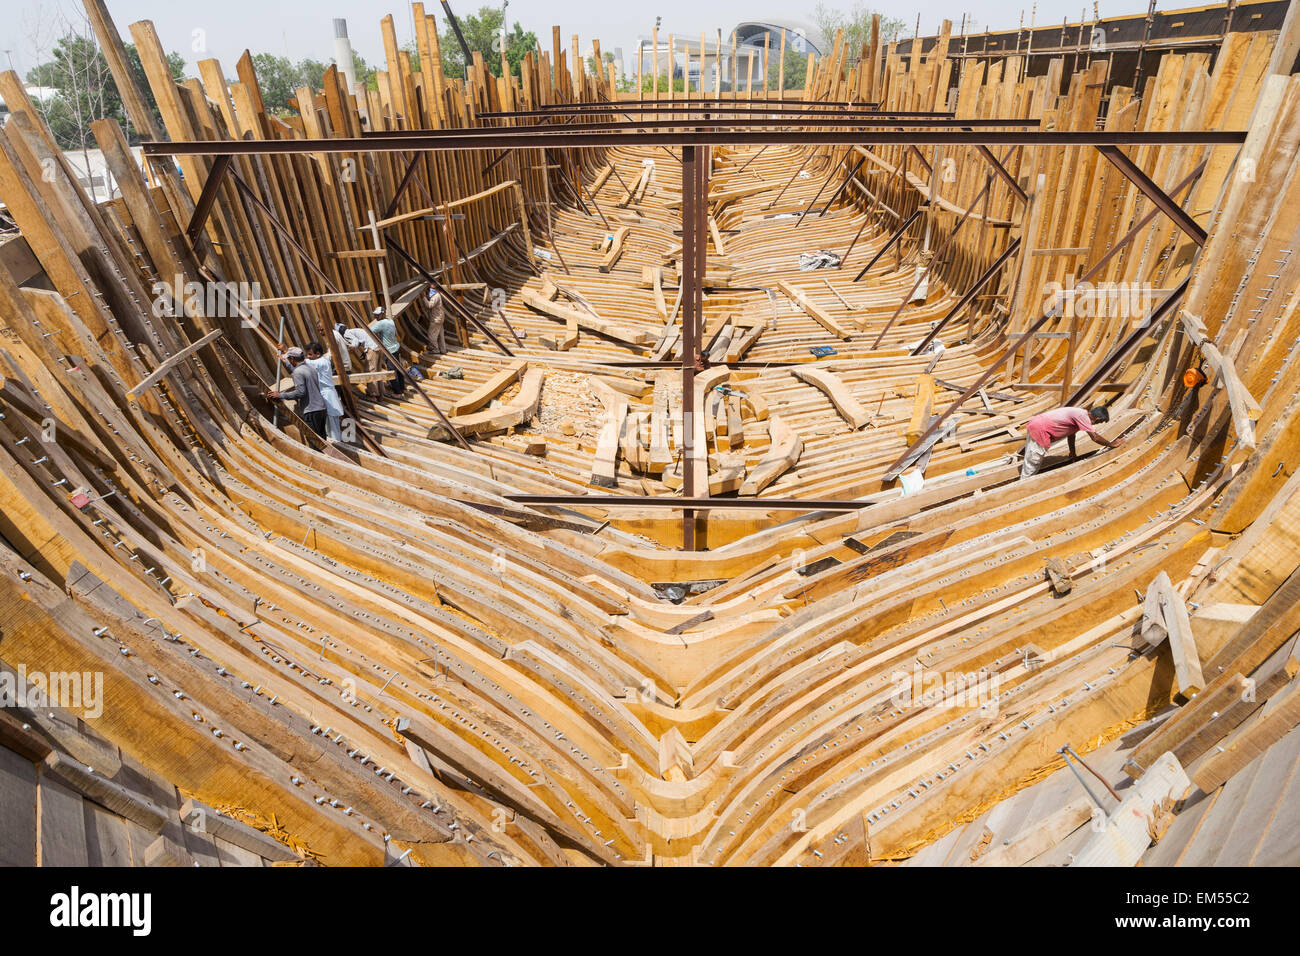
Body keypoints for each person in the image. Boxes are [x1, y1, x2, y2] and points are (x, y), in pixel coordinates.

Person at [1020, 405, 1121, 479]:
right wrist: (1111, 444)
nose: (1094, 425)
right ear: (1097, 419)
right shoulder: (1083, 417)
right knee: (1034, 460)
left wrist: (1073, 453)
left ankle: (1026, 478)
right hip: (1040, 429)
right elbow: (1095, 437)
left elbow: (1071, 436)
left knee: (1032, 456)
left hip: (1037, 424)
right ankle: (1024, 484)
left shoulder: (1080, 414)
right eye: (1099, 422)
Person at [266, 346, 327, 437]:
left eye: (289, 359)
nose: (289, 361)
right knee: (322, 439)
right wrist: (286, 363)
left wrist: (280, 395)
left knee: (314, 441)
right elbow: (299, 372)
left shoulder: (298, 372)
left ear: (292, 359)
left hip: (311, 411)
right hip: (321, 408)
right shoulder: (311, 368)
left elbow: (300, 392)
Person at [304, 341, 345, 441]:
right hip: (327, 394)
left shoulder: (321, 362)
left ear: (318, 354)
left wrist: (287, 353)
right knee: (330, 422)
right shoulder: (322, 361)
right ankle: (335, 442)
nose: (308, 356)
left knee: (332, 423)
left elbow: (306, 362)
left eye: (310, 354)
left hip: (327, 395)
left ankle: (337, 445)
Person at [368, 307, 406, 397]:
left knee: (391, 371)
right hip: (395, 347)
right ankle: (402, 387)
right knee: (398, 369)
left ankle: (397, 392)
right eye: (375, 315)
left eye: (377, 315)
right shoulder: (390, 320)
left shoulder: (381, 323)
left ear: (383, 314)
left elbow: (370, 331)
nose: (376, 317)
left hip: (389, 351)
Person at [425, 286, 446, 355]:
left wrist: (423, 297)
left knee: (431, 335)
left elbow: (429, 305)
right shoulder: (437, 295)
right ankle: (443, 350)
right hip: (440, 318)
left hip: (436, 319)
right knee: (440, 334)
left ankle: (436, 349)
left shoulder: (435, 296)